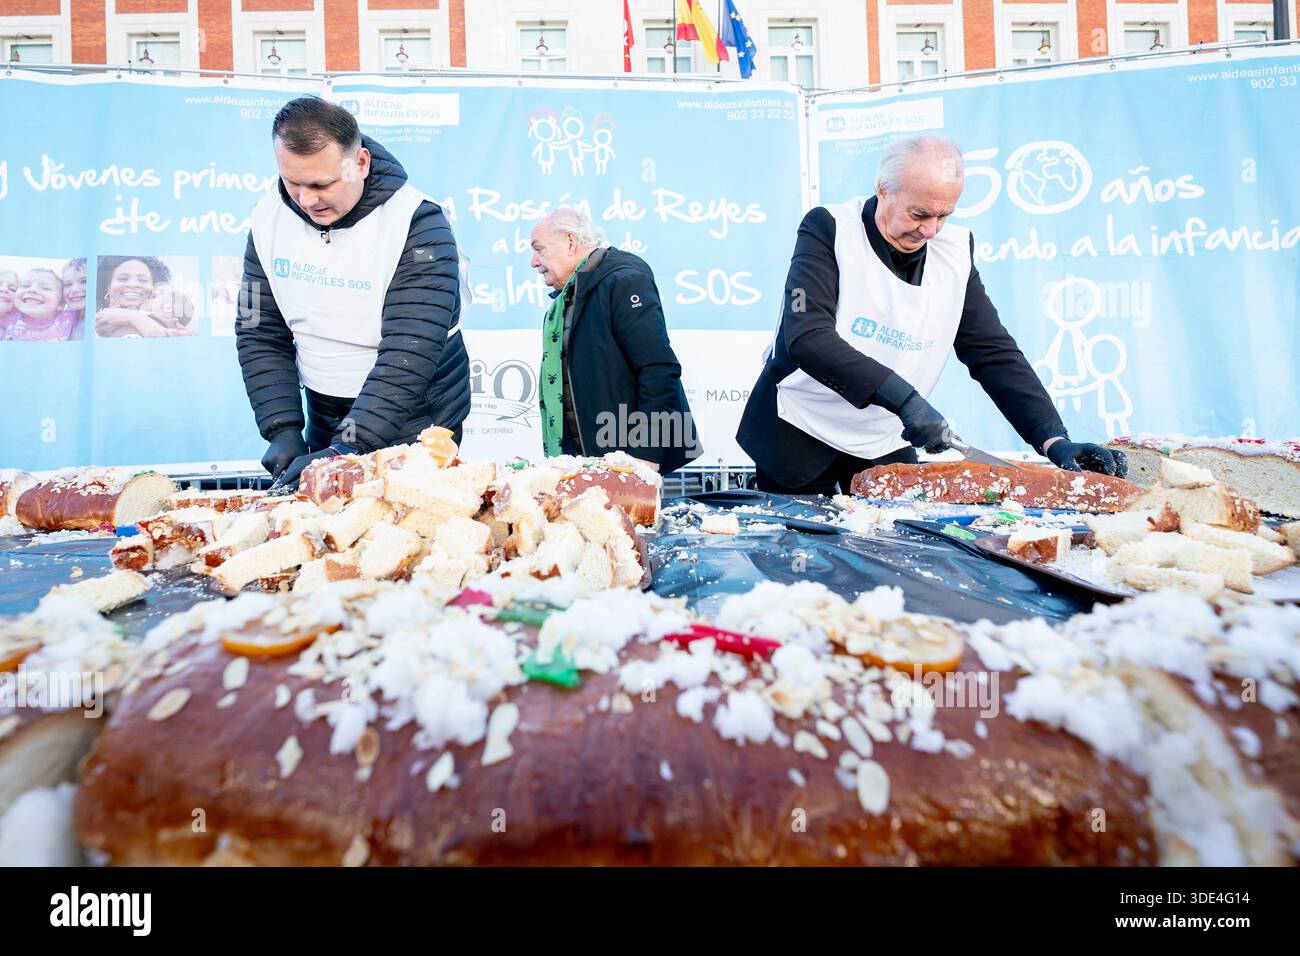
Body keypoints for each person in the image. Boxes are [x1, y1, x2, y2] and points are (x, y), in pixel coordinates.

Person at [736, 135, 1125, 496]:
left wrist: (1053, 439)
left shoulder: (954, 252)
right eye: (919, 214)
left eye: (944, 216)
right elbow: (807, 337)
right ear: (883, 190)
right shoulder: (828, 228)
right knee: (794, 557)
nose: (931, 230)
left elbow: (992, 352)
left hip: (884, 439)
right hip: (799, 430)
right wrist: (906, 400)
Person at [237, 95, 471, 492]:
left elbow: (409, 352)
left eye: (321, 184)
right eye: (292, 183)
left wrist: (348, 448)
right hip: (326, 407)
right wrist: (283, 427)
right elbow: (259, 329)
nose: (307, 199)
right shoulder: (268, 217)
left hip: (413, 413)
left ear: (359, 163)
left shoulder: (417, 223)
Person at [527, 206, 700, 474]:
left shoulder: (625, 280)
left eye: (539, 249)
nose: (534, 262)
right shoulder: (572, 294)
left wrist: (646, 453)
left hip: (627, 463)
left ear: (570, 242)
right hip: (586, 461)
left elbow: (658, 369)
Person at [94, 256, 196, 337]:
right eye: (123, 278)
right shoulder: (98, 319)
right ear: (108, 287)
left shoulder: (164, 324)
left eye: (143, 280)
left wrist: (132, 317)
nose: (132, 284)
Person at [61, 258, 87, 340]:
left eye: (84, 281)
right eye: (67, 284)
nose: (74, 290)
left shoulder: (105, 321)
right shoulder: (63, 321)